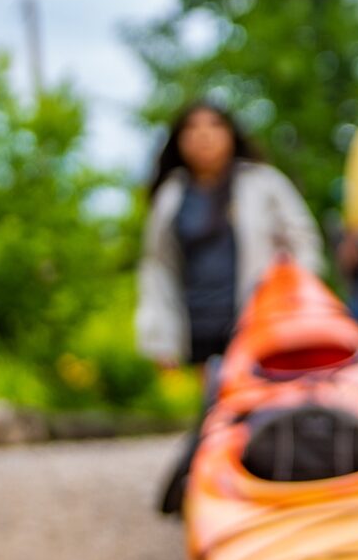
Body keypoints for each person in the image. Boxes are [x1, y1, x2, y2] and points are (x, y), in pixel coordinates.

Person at [135, 100, 325, 367]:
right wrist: (159, 337)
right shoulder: (171, 196)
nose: (203, 135)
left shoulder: (262, 183)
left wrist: (295, 299)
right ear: (178, 140)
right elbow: (158, 267)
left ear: (231, 134)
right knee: (209, 391)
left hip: (262, 322)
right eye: (192, 128)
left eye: (214, 126)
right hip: (196, 328)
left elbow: (303, 242)